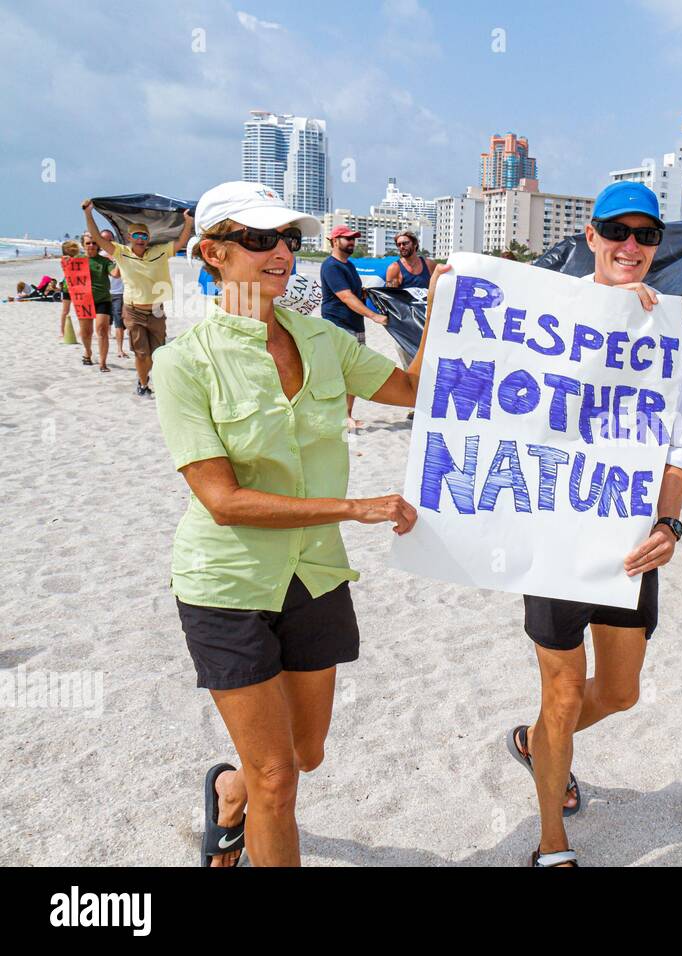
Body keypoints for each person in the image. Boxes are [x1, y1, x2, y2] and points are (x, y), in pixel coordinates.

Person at [152, 181, 441, 867]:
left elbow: (411, 389)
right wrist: (354, 507)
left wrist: (449, 311)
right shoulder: (183, 363)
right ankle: (250, 794)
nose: (281, 251)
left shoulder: (321, 340)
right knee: (278, 780)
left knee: (303, 755)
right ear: (214, 253)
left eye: (290, 238)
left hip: (313, 576)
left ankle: (228, 788)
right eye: (259, 239)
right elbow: (222, 500)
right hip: (226, 584)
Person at [508, 181, 682, 867]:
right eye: (616, 231)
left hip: (628, 535)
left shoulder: (669, 330)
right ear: (589, 236)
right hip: (556, 537)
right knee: (561, 693)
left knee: (619, 692)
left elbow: (680, 442)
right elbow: (495, 392)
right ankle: (551, 844)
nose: (631, 245)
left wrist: (671, 526)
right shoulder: (549, 312)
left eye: (646, 235)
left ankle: (535, 745)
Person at [83, 200, 193, 396]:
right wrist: (89, 214)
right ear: (129, 237)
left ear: (149, 238)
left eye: (144, 235)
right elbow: (99, 239)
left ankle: (147, 376)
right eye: (136, 235)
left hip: (157, 310)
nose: (140, 239)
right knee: (142, 353)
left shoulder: (159, 252)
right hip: (133, 311)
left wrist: (188, 222)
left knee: (157, 354)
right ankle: (143, 384)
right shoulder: (121, 253)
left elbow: (181, 242)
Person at [319, 224, 389, 429]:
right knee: (340, 373)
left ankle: (347, 415)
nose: (352, 242)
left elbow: (356, 294)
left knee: (354, 372)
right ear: (334, 241)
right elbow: (345, 297)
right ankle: (337, 417)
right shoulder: (331, 266)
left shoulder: (348, 265)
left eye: (353, 239)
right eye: (347, 238)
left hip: (355, 325)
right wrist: (374, 316)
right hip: (339, 326)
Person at [383, 229, 433, 374]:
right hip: (406, 325)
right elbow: (390, 298)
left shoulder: (429, 265)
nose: (401, 247)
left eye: (405, 243)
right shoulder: (395, 268)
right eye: (398, 245)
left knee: (428, 366)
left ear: (415, 244)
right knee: (410, 369)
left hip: (426, 323)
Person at [80, 231, 115, 372]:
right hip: (84, 300)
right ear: (83, 245)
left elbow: (115, 274)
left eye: (94, 243)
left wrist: (118, 260)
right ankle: (88, 351)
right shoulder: (78, 261)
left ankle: (102, 362)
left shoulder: (105, 261)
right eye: (88, 243)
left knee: (101, 330)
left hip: (103, 300)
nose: (91, 245)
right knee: (86, 333)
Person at [101, 228, 128, 358]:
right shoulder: (99, 255)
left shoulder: (120, 253)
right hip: (104, 293)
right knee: (105, 320)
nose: (107, 242)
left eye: (110, 239)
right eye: (104, 239)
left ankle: (119, 349)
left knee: (119, 319)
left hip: (119, 292)